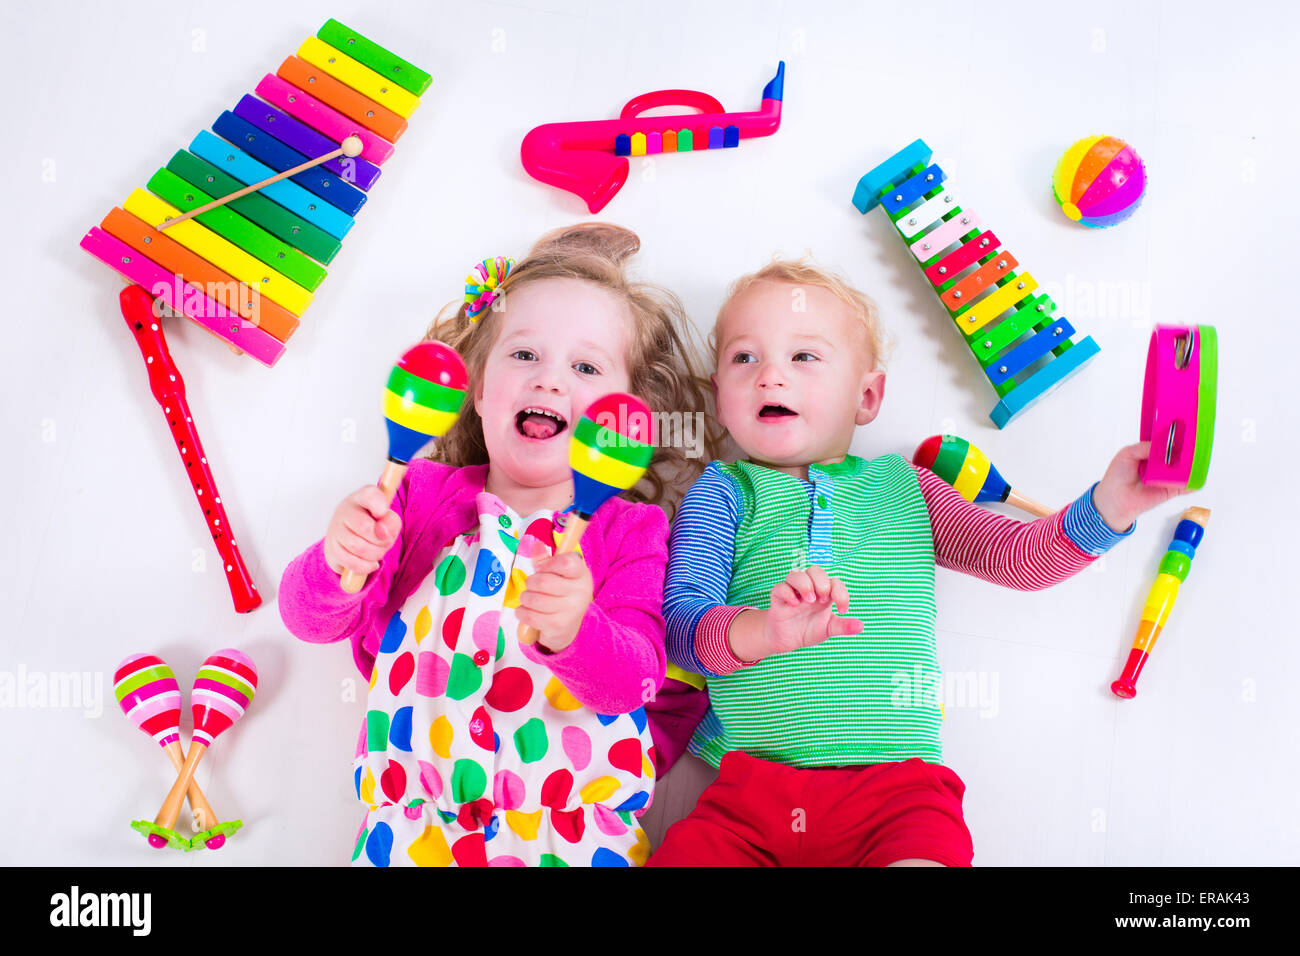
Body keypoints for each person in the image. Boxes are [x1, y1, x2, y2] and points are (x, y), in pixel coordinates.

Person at [648, 258, 1186, 866]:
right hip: (750, 797)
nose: (771, 376)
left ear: (867, 396)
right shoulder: (723, 489)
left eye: (805, 357)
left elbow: (1017, 559)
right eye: (744, 358)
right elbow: (681, 631)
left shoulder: (910, 487)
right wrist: (761, 629)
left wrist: (1110, 507)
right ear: (720, 398)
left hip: (898, 794)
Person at [279, 224, 713, 866]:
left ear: (628, 414)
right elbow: (311, 621)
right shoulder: (414, 497)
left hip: (569, 835)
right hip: (413, 831)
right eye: (524, 355)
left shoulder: (631, 531)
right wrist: (337, 560)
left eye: (586, 367)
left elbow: (636, 683)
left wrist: (574, 630)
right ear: (478, 390)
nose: (549, 381)